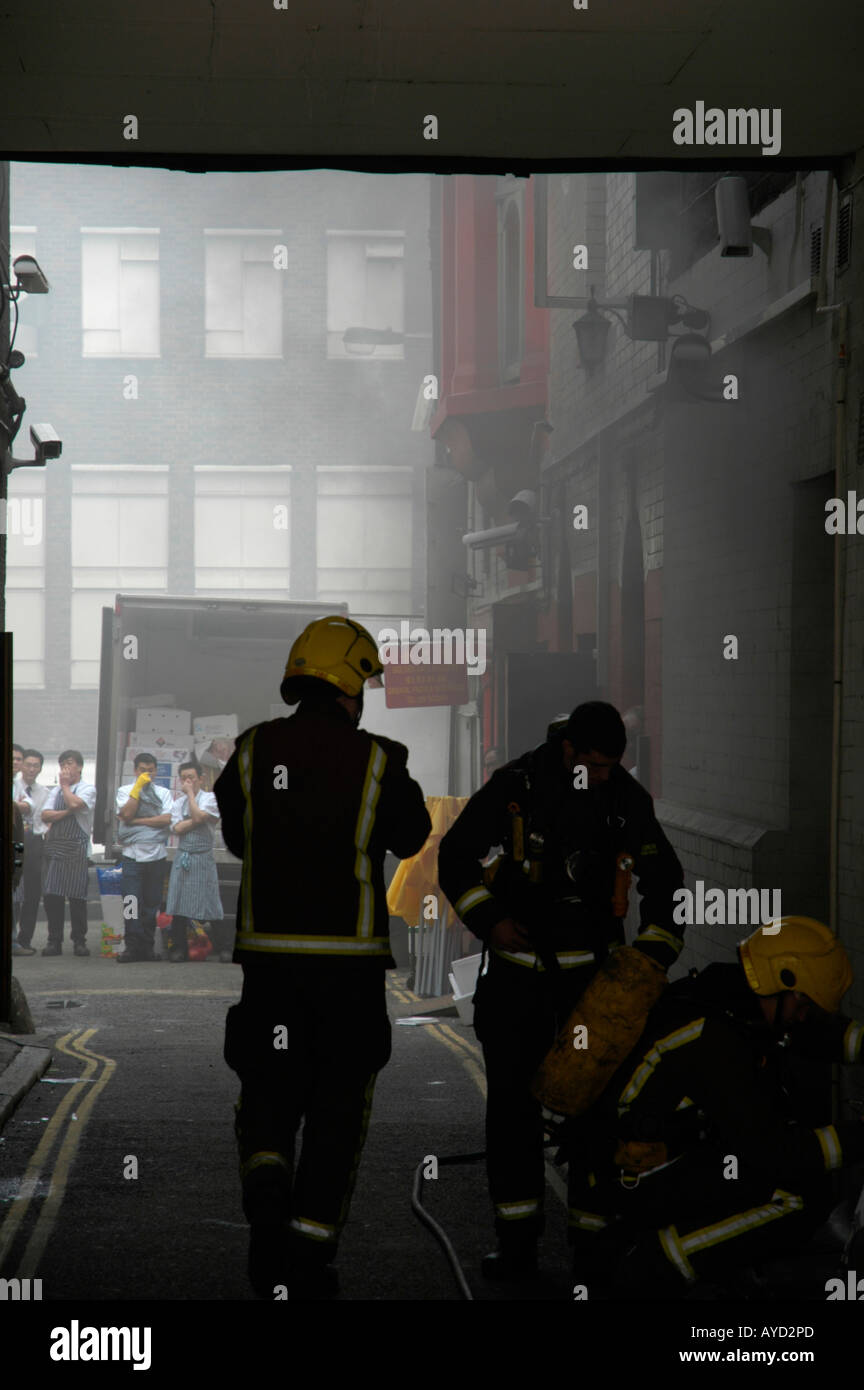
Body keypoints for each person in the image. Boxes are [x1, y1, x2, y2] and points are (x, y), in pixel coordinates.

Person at [214, 614, 431, 1300]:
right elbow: (414, 834)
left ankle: (267, 1183)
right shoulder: (380, 760)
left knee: (269, 1091)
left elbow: (239, 839)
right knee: (338, 1111)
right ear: (350, 686)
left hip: (269, 971)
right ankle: (308, 1261)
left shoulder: (250, 752)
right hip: (351, 974)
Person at [437, 700, 686, 1280]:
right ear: (570, 749)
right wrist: (491, 920)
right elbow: (455, 856)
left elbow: (665, 882)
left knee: (598, 1111)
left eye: (611, 766)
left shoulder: (625, 798)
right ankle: (518, 1242)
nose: (602, 777)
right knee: (513, 1110)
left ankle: (593, 1244)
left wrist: (649, 958)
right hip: (519, 977)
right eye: (594, 765)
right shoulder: (516, 786)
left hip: (593, 988)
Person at [570, 917, 864, 1298]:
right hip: (632, 1180)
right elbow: (777, 1154)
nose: (802, 1015)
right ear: (781, 980)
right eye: (803, 1004)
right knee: (796, 1193)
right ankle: (658, 1260)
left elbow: (809, 1033)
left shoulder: (727, 995)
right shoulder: (713, 1041)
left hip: (632, 1164)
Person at [164, 760, 226, 963]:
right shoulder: (176, 803)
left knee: (211, 902)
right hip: (184, 856)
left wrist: (190, 796)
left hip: (203, 857)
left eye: (191, 778)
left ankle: (224, 947)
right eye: (184, 779)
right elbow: (177, 829)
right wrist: (194, 819)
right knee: (178, 902)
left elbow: (200, 817)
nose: (187, 782)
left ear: (201, 778)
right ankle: (179, 948)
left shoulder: (211, 798)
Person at [115, 752, 173, 963]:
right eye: (142, 770)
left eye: (150, 770)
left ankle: (147, 948)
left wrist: (137, 823)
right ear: (135, 771)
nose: (147, 773)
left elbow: (166, 820)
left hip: (157, 856)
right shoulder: (125, 791)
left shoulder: (164, 793)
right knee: (131, 903)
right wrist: (138, 787)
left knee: (151, 904)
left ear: (156, 771)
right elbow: (126, 815)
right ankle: (131, 947)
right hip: (132, 857)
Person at [40, 750, 97, 957]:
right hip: (54, 848)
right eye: (62, 764)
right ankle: (54, 941)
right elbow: (45, 815)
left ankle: (79, 941)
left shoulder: (87, 788)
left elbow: (75, 803)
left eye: (70, 763)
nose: (65, 768)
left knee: (77, 897)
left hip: (76, 848)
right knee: (52, 896)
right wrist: (66, 812)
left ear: (80, 767)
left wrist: (65, 786)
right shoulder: (53, 792)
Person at [12, 748, 49, 956]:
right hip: (16, 840)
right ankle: (13, 938)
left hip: (35, 843)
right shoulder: (14, 785)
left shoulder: (44, 792)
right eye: (28, 764)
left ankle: (25, 939)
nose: (31, 769)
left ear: (41, 769)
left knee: (33, 894)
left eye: (36, 766)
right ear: (21, 765)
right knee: (15, 891)